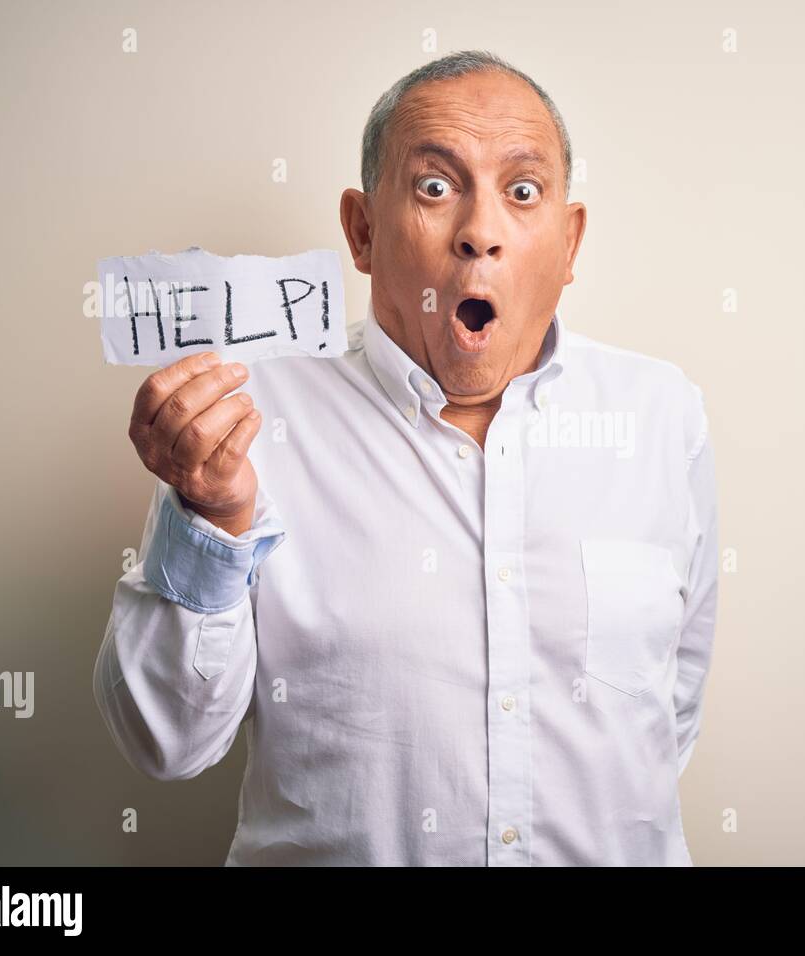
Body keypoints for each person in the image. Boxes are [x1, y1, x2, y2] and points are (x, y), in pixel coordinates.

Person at [93, 49, 718, 866]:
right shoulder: (248, 425)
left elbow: (667, 715)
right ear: (361, 230)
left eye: (522, 192)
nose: (480, 234)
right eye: (434, 187)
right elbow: (165, 743)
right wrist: (211, 518)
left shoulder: (660, 415)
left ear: (569, 245)